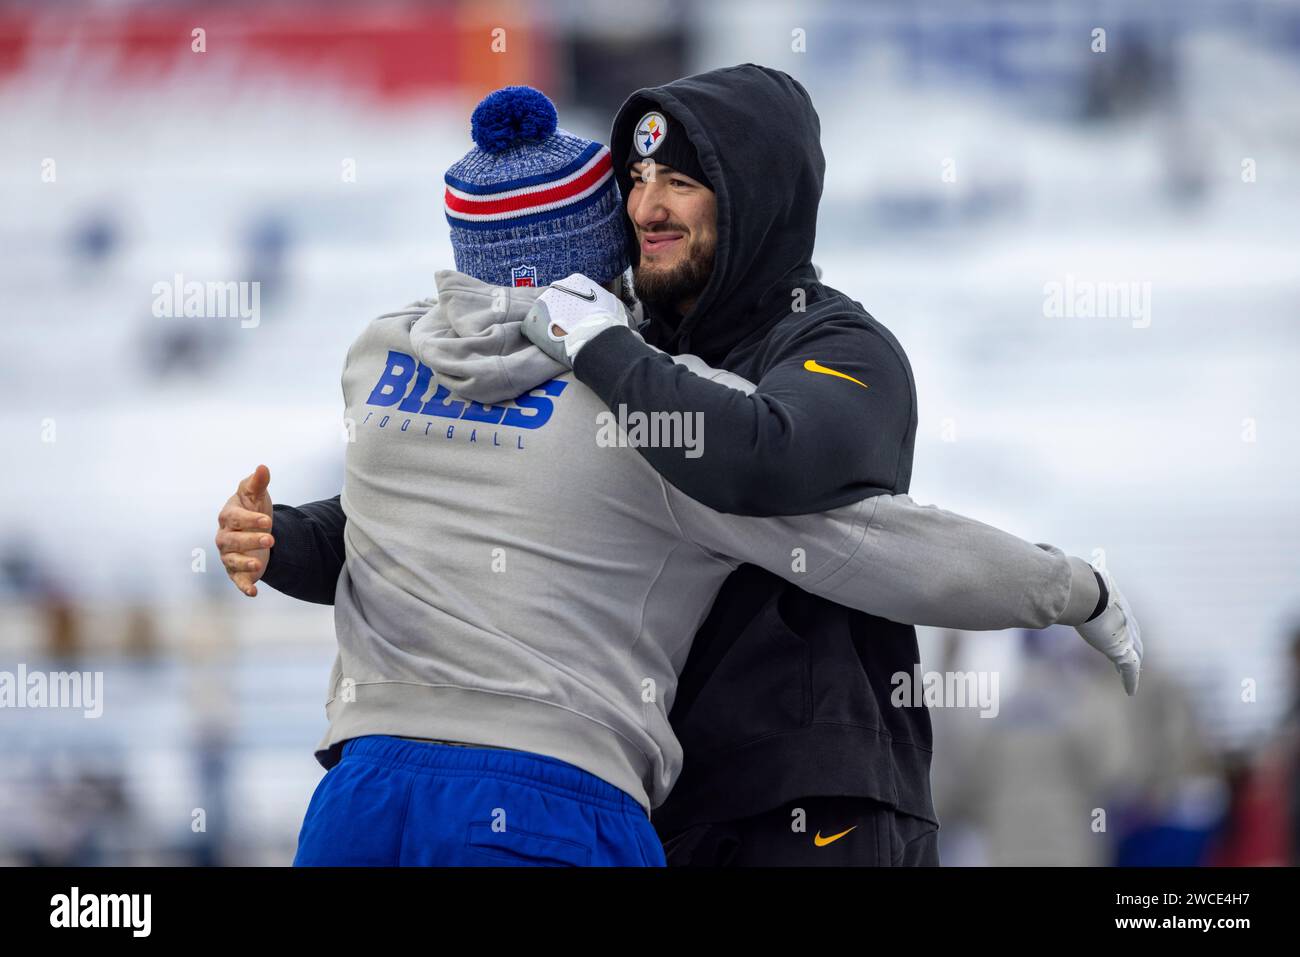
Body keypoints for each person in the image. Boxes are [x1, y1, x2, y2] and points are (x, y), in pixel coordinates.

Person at [217, 83, 1141, 867]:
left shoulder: (386, 353)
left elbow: (766, 460)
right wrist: (1070, 587)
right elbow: (877, 548)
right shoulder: (637, 397)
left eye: (684, 181)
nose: (648, 204)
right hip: (576, 797)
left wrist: (605, 350)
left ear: (755, 199)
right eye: (636, 181)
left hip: (807, 802)